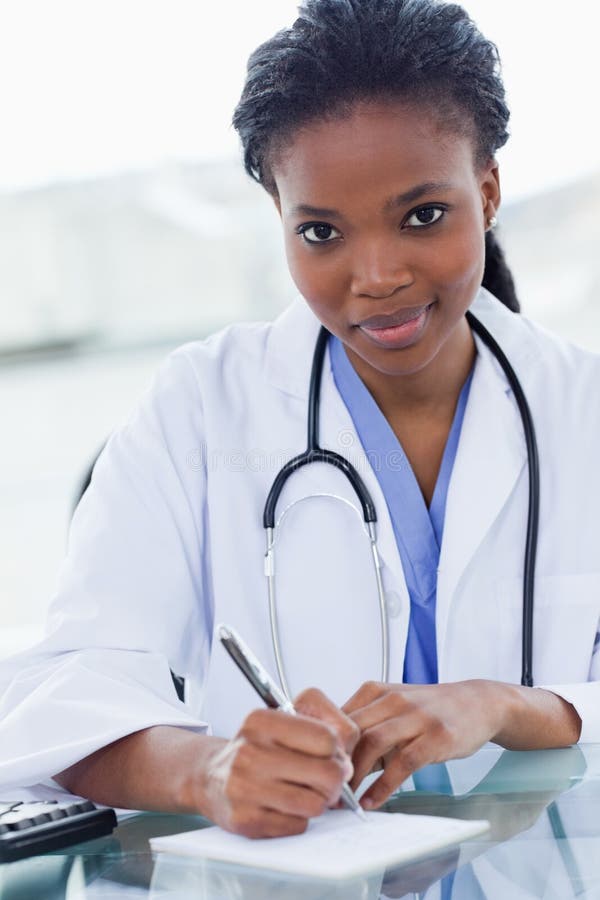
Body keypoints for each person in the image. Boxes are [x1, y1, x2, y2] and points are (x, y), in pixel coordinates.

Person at [1, 0, 599, 841]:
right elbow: (62, 692)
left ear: (489, 191)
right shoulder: (200, 406)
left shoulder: (582, 409)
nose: (377, 276)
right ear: (279, 219)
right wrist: (209, 771)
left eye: (422, 215)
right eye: (321, 232)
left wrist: (512, 706)